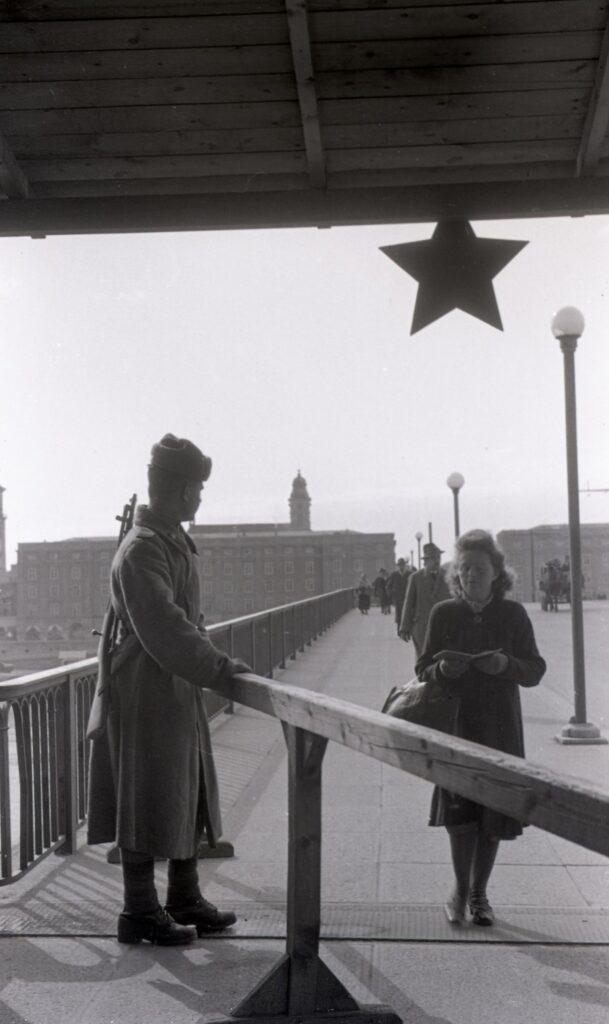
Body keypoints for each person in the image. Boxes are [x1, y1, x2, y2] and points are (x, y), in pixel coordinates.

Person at [87, 434, 251, 947]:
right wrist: (221, 669)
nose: (201, 497)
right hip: (144, 688)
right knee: (145, 794)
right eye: (197, 488)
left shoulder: (165, 539)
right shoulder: (142, 550)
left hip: (171, 683)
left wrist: (205, 668)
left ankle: (183, 897)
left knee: (185, 786)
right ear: (181, 491)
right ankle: (138, 910)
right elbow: (166, 626)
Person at [415, 529, 546, 927]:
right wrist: (440, 669)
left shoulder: (513, 614)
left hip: (499, 727)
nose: (471, 575)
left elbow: (535, 669)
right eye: (465, 568)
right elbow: (421, 670)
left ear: (496, 573)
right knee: (459, 815)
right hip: (456, 726)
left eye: (480, 568)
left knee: (492, 815)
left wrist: (506, 665)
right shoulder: (444, 613)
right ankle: (458, 888)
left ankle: (479, 894)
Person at [399, 542, 451, 658]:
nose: (437, 560)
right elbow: (408, 602)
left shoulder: (448, 576)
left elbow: (455, 599)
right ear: (425, 561)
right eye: (433, 558)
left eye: (438, 557)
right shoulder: (416, 578)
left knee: (443, 657)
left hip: (444, 625)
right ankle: (422, 676)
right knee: (423, 658)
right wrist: (404, 627)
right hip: (422, 625)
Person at [386, 558, 413, 633]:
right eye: (400, 565)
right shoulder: (394, 574)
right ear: (398, 566)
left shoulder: (409, 574)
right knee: (399, 614)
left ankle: (407, 630)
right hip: (397, 598)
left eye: (403, 565)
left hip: (408, 597)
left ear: (405, 565)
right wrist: (392, 594)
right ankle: (399, 629)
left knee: (408, 613)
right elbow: (388, 586)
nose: (401, 566)